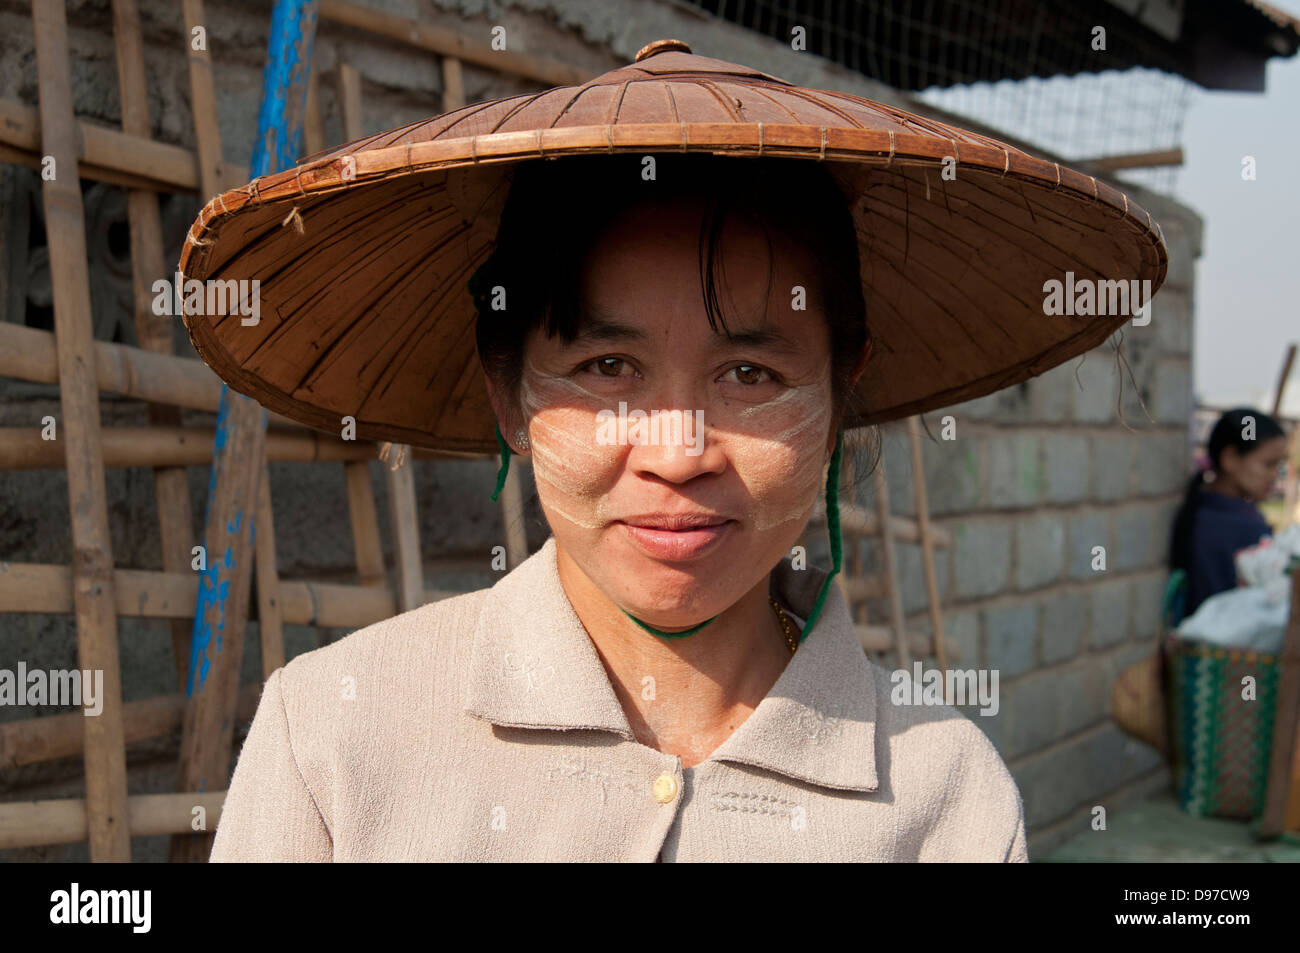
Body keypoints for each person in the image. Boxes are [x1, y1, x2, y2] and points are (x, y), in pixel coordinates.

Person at [181, 41, 1166, 861]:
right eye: (607, 365)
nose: (678, 452)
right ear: (508, 391)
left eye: (750, 376)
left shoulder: (943, 792)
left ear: (838, 393)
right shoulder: (338, 734)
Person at [1168, 408, 1288, 620]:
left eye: (1279, 466)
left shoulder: (1199, 509)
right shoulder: (1243, 526)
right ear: (1230, 458)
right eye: (1268, 464)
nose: (1274, 475)